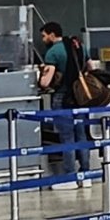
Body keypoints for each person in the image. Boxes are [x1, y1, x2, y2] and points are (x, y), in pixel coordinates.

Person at [37, 21, 93, 185]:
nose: (43, 39)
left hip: (63, 98)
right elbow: (91, 67)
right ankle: (86, 174)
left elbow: (46, 82)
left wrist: (40, 79)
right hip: (81, 98)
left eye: (44, 35)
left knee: (67, 137)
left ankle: (69, 176)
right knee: (82, 135)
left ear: (52, 34)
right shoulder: (79, 46)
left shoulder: (53, 52)